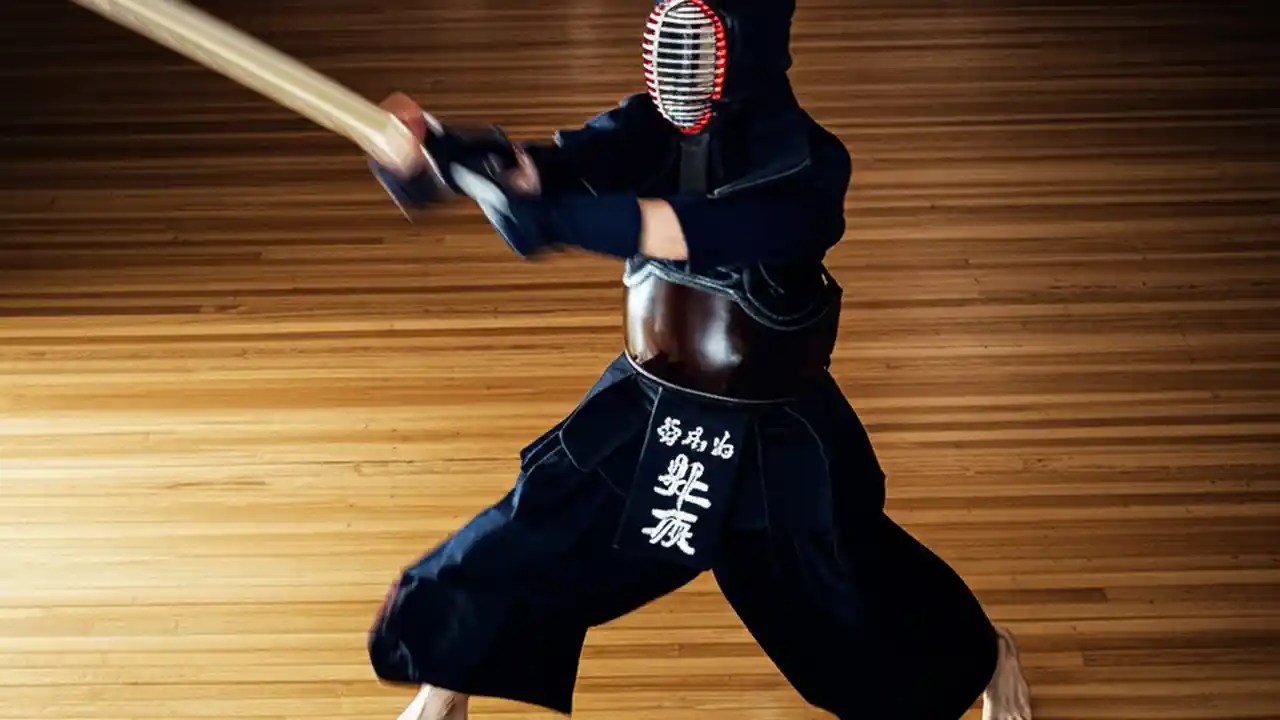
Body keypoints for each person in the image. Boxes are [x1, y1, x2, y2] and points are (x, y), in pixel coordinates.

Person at [364, 1, 1032, 718]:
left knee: (850, 605)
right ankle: (448, 687)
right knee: (526, 540)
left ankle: (990, 655)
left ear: (746, 48)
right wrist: (435, 154)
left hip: (774, 432)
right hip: (646, 406)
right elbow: (540, 168)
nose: (677, 55)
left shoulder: (809, 169)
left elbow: (681, 230)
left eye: (703, 35)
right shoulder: (644, 128)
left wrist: (548, 215)